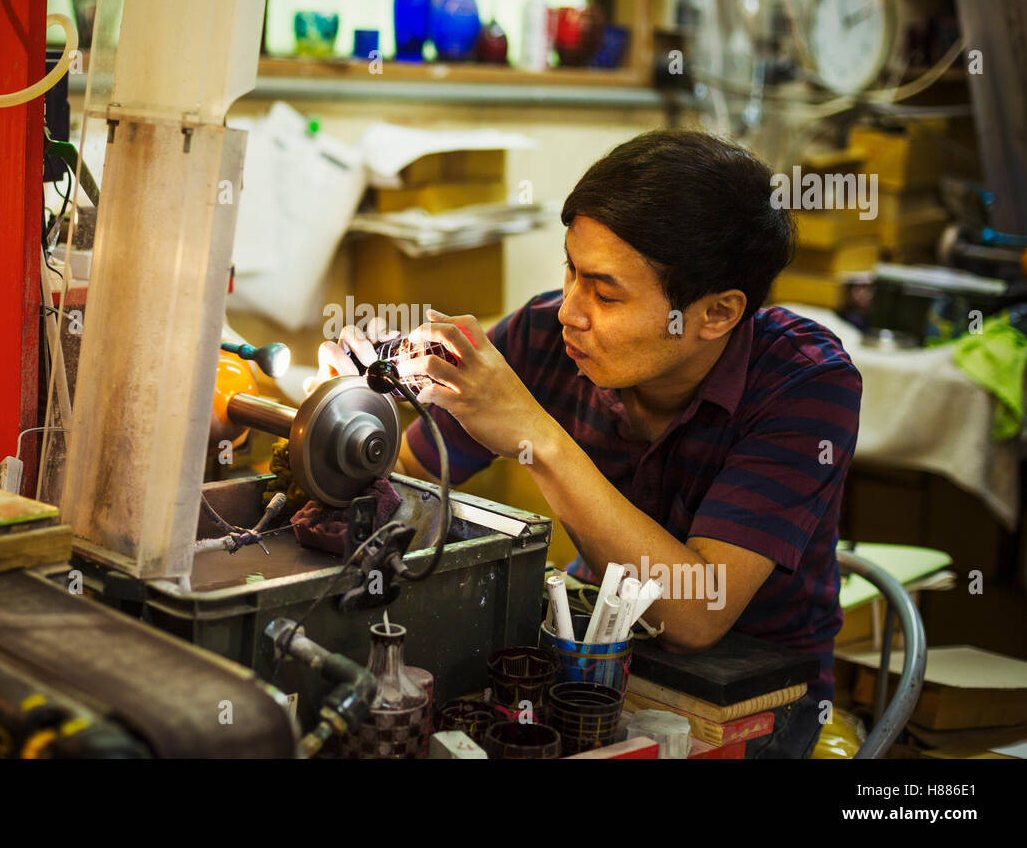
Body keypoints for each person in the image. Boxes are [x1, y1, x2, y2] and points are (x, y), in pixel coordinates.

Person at [311, 129, 862, 759]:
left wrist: (534, 435)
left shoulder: (808, 385)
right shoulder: (545, 336)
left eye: (605, 293)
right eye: (570, 270)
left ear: (716, 314)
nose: (570, 310)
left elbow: (693, 617)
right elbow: (405, 482)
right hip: (586, 641)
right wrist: (361, 415)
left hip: (743, 699)